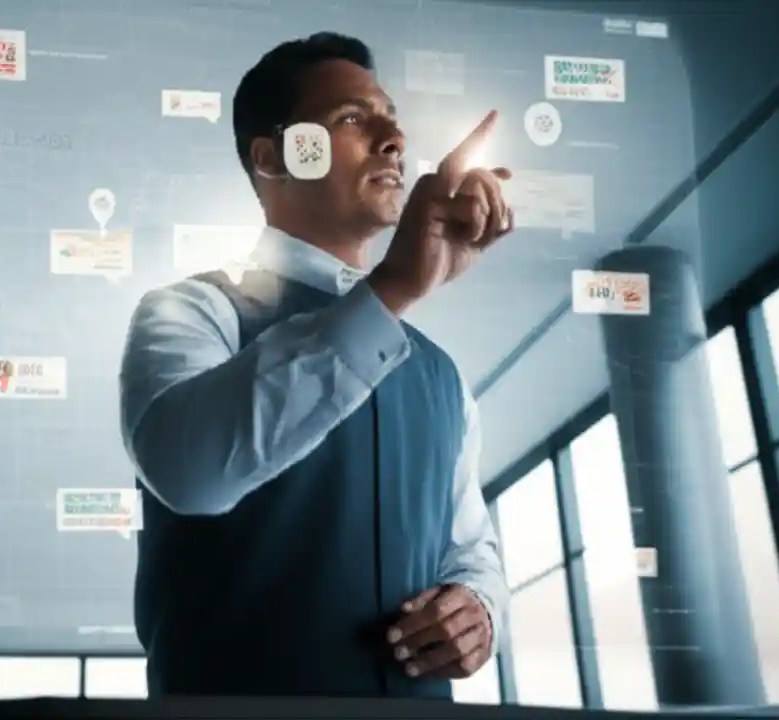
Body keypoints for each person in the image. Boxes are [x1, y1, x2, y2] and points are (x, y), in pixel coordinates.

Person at [119, 32, 513, 698]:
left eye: (392, 120)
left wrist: (478, 607)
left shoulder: (443, 377)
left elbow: (470, 551)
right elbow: (188, 473)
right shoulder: (190, 312)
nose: (394, 139)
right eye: (353, 119)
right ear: (273, 157)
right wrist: (391, 290)